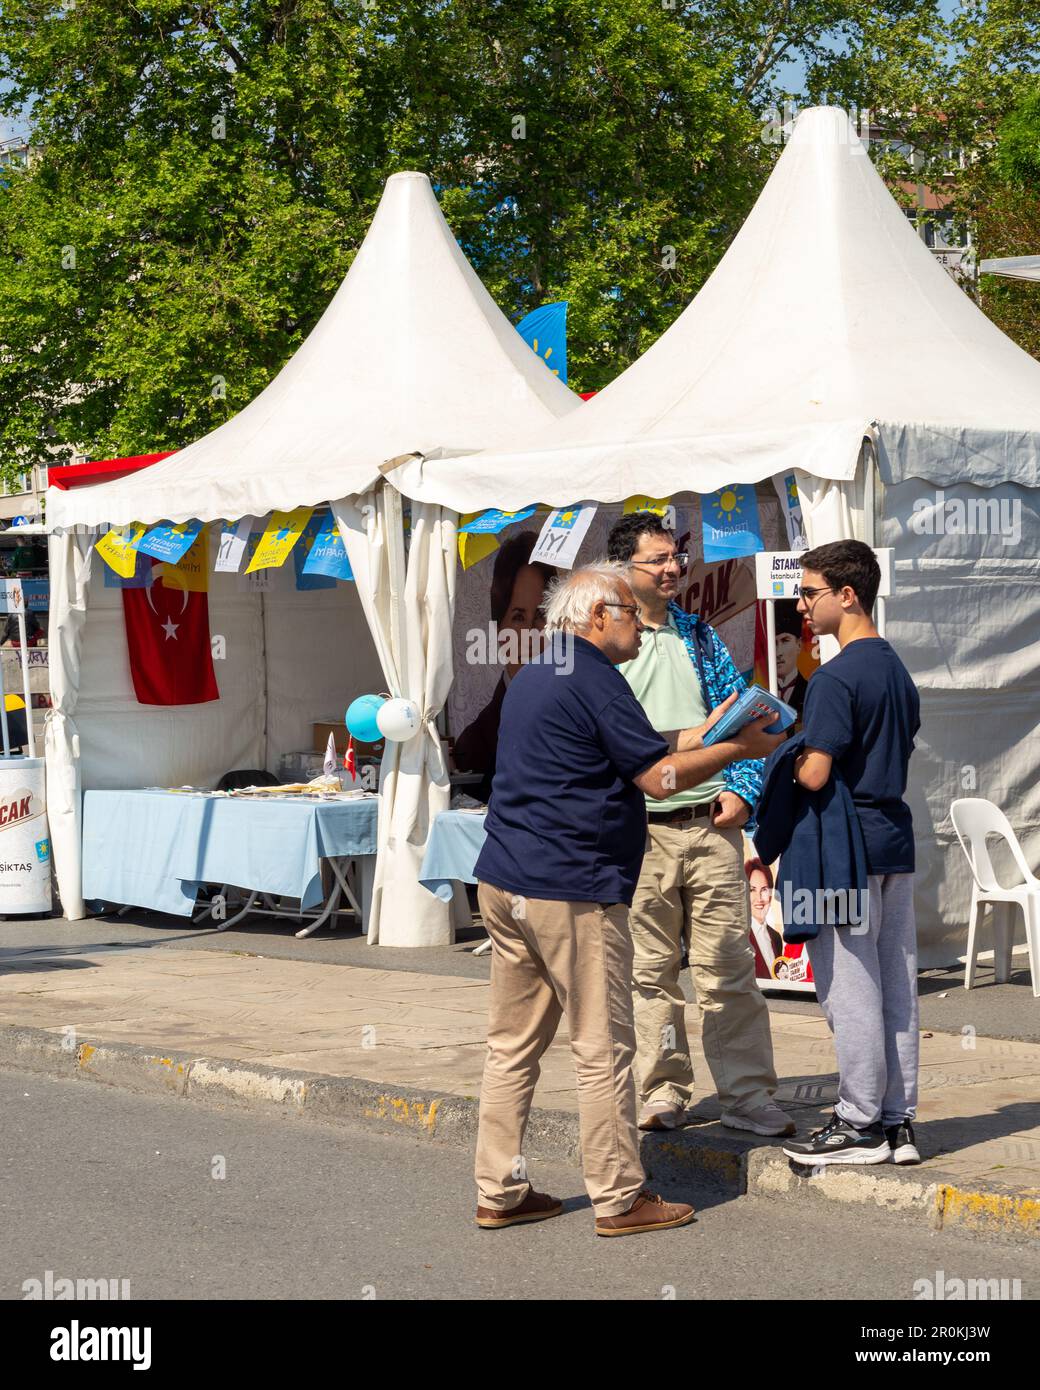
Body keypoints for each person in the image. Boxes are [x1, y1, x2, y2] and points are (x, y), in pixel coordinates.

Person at [472, 563, 785, 1236]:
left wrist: (712, 731)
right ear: (595, 617)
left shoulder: (541, 670)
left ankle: (498, 1189)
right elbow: (658, 776)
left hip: (506, 881)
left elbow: (641, 747)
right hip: (568, 889)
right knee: (604, 1046)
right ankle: (618, 1197)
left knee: (510, 1047)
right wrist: (740, 747)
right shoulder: (591, 676)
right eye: (629, 614)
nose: (641, 624)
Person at [607, 513, 792, 1138]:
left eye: (675, 559)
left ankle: (747, 1097)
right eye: (657, 559)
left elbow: (745, 722)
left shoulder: (700, 636)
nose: (671, 569)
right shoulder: (601, 646)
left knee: (728, 970)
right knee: (649, 973)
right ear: (622, 570)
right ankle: (662, 1091)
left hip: (711, 828)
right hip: (640, 834)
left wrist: (742, 793)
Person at [780, 540, 922, 1167]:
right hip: (892, 838)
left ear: (848, 595)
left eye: (809, 592)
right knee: (896, 985)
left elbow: (814, 775)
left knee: (850, 988)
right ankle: (897, 1121)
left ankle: (858, 1119)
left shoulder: (834, 677)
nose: (801, 605)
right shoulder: (896, 667)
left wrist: (777, 754)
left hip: (845, 847)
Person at [453, 532, 555, 802]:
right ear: (499, 630)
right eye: (519, 616)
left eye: (542, 615)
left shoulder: (579, 705)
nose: (534, 632)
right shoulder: (473, 744)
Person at [745, 855, 784, 973]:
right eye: (752, 890)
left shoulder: (776, 937)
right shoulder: (739, 938)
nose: (759, 898)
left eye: (764, 889)